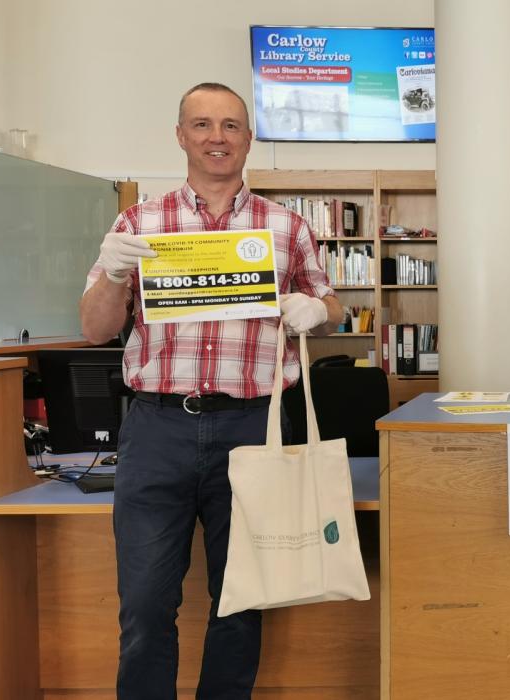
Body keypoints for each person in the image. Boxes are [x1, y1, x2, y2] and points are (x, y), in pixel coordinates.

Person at [79, 82, 342, 699]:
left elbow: (331, 301)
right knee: (144, 606)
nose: (216, 138)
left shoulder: (286, 226)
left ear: (248, 138)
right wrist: (116, 272)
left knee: (240, 603)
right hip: (157, 428)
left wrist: (318, 310)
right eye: (201, 125)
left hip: (254, 428)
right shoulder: (137, 223)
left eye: (230, 126)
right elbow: (94, 329)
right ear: (180, 136)